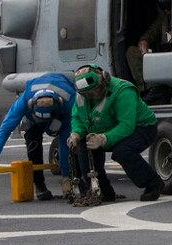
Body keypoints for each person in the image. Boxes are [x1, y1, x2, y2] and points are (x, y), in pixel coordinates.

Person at [67, 65, 164, 204]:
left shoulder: (123, 91)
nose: (94, 96)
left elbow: (126, 126)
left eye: (96, 91)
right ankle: (102, 191)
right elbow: (78, 117)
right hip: (102, 128)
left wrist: (104, 138)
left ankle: (153, 184)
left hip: (142, 128)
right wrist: (76, 133)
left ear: (103, 81)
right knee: (82, 145)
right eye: (89, 94)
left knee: (122, 152)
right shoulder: (81, 96)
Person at [0, 73, 76, 200]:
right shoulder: (24, 101)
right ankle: (39, 185)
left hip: (60, 114)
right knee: (32, 137)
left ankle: (75, 178)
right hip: (35, 119)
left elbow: (64, 141)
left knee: (71, 141)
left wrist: (66, 177)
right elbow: (6, 128)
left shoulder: (70, 101)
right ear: (31, 105)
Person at [125, 0, 172, 104]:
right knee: (132, 51)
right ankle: (152, 90)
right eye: (164, 7)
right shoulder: (163, 22)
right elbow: (144, 40)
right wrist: (145, 53)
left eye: (168, 5)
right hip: (165, 62)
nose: (167, 10)